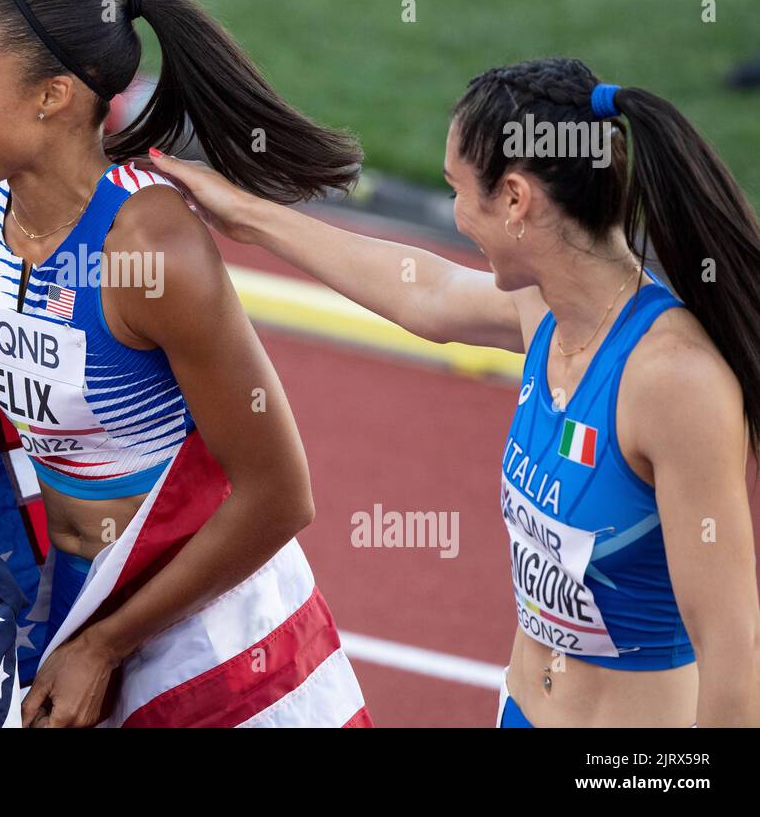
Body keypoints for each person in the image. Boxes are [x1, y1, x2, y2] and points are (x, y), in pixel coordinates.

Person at [144, 56, 760, 727]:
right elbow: (424, 290)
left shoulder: (673, 382)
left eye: (458, 191)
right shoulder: (547, 312)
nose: (456, 214)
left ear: (517, 199)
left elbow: (734, 651)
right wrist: (246, 215)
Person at [0, 0, 371, 727]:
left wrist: (103, 645)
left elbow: (279, 494)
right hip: (57, 594)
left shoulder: (154, 250)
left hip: (195, 619)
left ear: (52, 96)